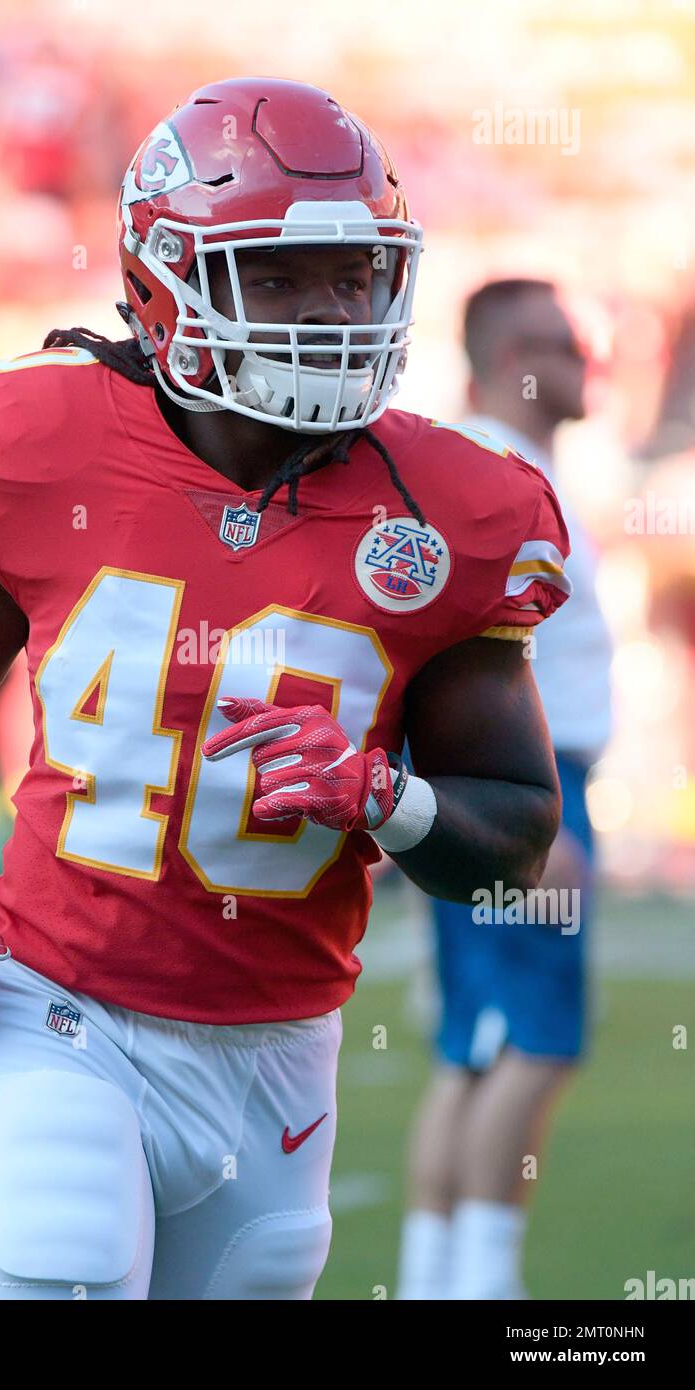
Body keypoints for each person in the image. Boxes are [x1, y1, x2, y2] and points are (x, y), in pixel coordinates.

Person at [0, 80, 571, 1301]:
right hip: (53, 1009)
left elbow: (512, 829)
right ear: (160, 283)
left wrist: (384, 797)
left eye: (353, 275)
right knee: (62, 1276)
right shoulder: (36, 434)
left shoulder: (456, 509)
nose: (330, 311)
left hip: (279, 1056)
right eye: (277, 277)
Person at [397, 278, 612, 1301]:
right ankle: (481, 1286)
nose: (586, 362)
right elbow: (446, 652)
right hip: (526, 783)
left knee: (475, 1052)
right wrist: (530, 821)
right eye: (566, 344)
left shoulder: (498, 466)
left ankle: (436, 1280)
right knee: (535, 1043)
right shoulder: (493, 473)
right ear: (519, 355)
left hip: (502, 780)